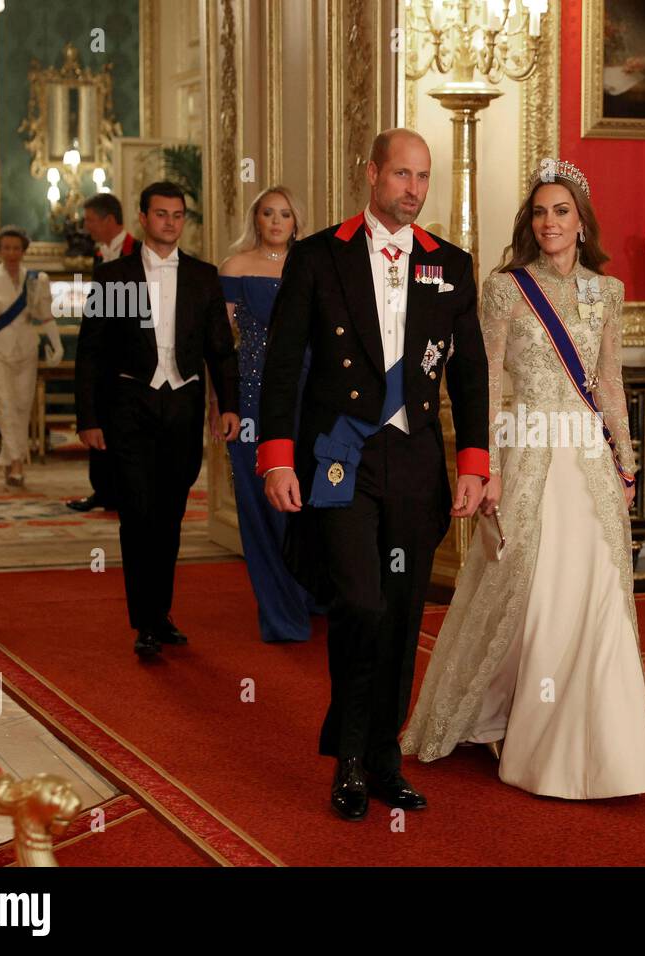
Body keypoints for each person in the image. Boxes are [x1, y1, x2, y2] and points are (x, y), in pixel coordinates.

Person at [401, 161, 645, 799]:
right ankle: (520, 731)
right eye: (540, 212)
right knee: (536, 598)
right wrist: (486, 466)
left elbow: (609, 382)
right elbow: (488, 382)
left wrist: (626, 462)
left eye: (561, 212)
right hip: (526, 459)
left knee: (598, 600)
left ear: (582, 223)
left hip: (589, 464)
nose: (548, 222)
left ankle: (610, 750)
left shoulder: (606, 292)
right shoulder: (504, 288)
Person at [257, 129, 488, 822]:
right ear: (371, 175)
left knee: (403, 612)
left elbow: (471, 375)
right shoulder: (318, 257)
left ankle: (381, 758)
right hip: (339, 459)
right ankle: (349, 756)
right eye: (401, 175)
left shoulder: (450, 265)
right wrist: (274, 456)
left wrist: (473, 463)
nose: (413, 189)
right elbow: (281, 366)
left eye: (423, 177)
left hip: (414, 464)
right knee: (360, 603)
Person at [75, 181, 241, 658]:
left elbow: (220, 351)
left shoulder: (203, 277)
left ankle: (161, 613)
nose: (170, 222)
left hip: (183, 408)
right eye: (161, 214)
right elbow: (92, 353)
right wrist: (89, 417)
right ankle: (144, 621)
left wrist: (228, 405)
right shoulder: (114, 277)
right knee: (137, 514)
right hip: (129, 407)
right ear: (144, 218)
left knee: (169, 516)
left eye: (177, 215)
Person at [218, 186, 323, 642]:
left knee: (311, 502)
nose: (277, 222)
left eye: (285, 213)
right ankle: (281, 612)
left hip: (310, 398)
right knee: (262, 504)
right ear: (256, 219)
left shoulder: (315, 264)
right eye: (268, 213)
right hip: (252, 399)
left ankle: (312, 594)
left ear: (296, 221)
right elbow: (221, 349)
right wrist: (223, 405)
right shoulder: (235, 268)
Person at [0, 226, 63, 487]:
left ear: (23, 250)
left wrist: (58, 345)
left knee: (21, 406)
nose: (11, 253)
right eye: (6, 248)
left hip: (27, 349)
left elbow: (45, 315)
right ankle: (18, 463)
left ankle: (9, 459)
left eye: (16, 248)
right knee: (6, 404)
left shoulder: (36, 279)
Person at [68, 193, 141, 513]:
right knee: (99, 416)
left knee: (126, 425)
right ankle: (104, 490)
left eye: (90, 220)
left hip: (132, 354)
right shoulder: (100, 254)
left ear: (109, 219)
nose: (86, 227)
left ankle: (127, 490)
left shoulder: (140, 251)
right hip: (104, 354)